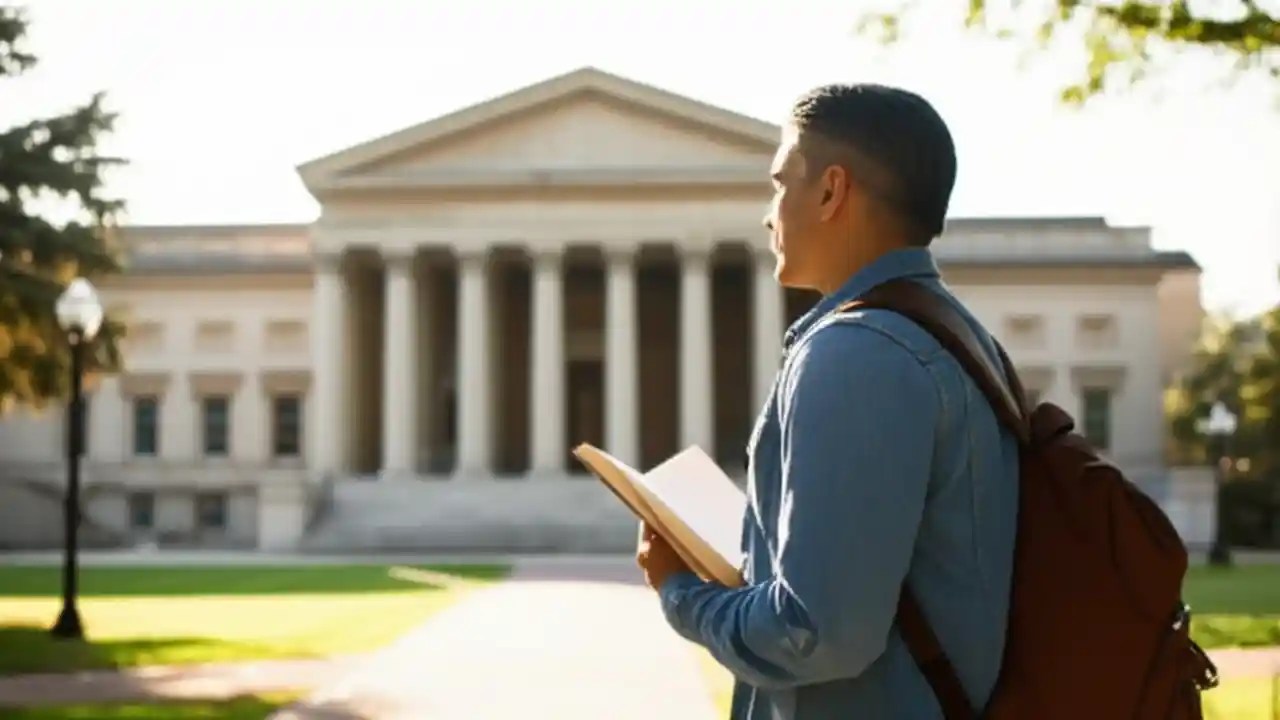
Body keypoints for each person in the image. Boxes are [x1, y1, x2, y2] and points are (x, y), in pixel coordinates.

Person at [636, 82, 1021, 718]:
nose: (769, 212)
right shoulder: (953, 336)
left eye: (781, 182)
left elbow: (814, 633)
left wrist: (680, 590)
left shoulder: (856, 353)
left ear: (830, 191)